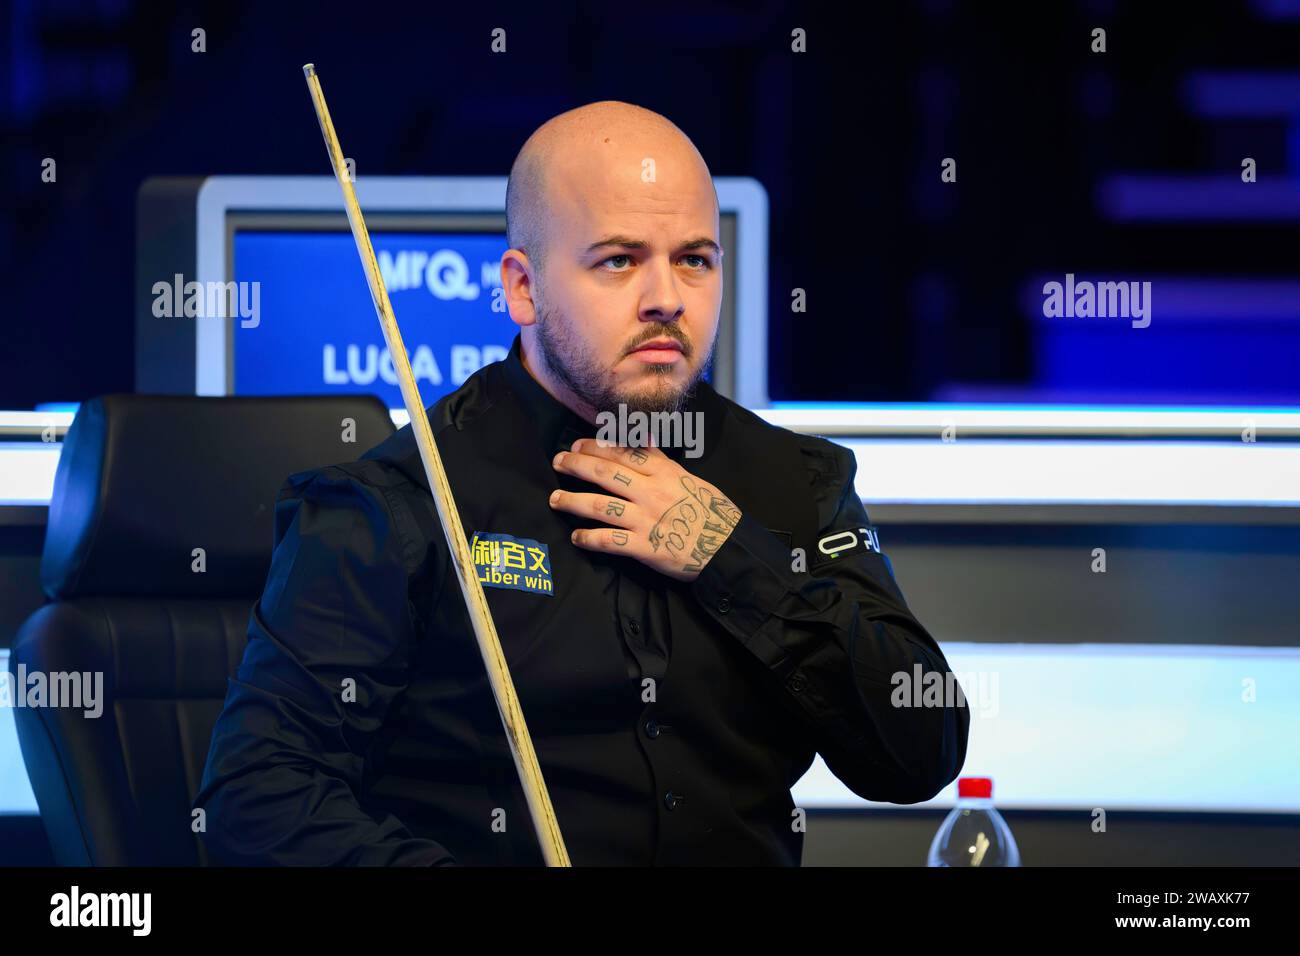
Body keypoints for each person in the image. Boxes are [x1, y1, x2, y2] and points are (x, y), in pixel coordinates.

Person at [192, 100, 969, 866]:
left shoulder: (796, 480)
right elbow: (256, 801)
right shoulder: (400, 501)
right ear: (522, 288)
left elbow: (919, 748)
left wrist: (732, 557)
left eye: (695, 258)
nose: (668, 297)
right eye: (620, 260)